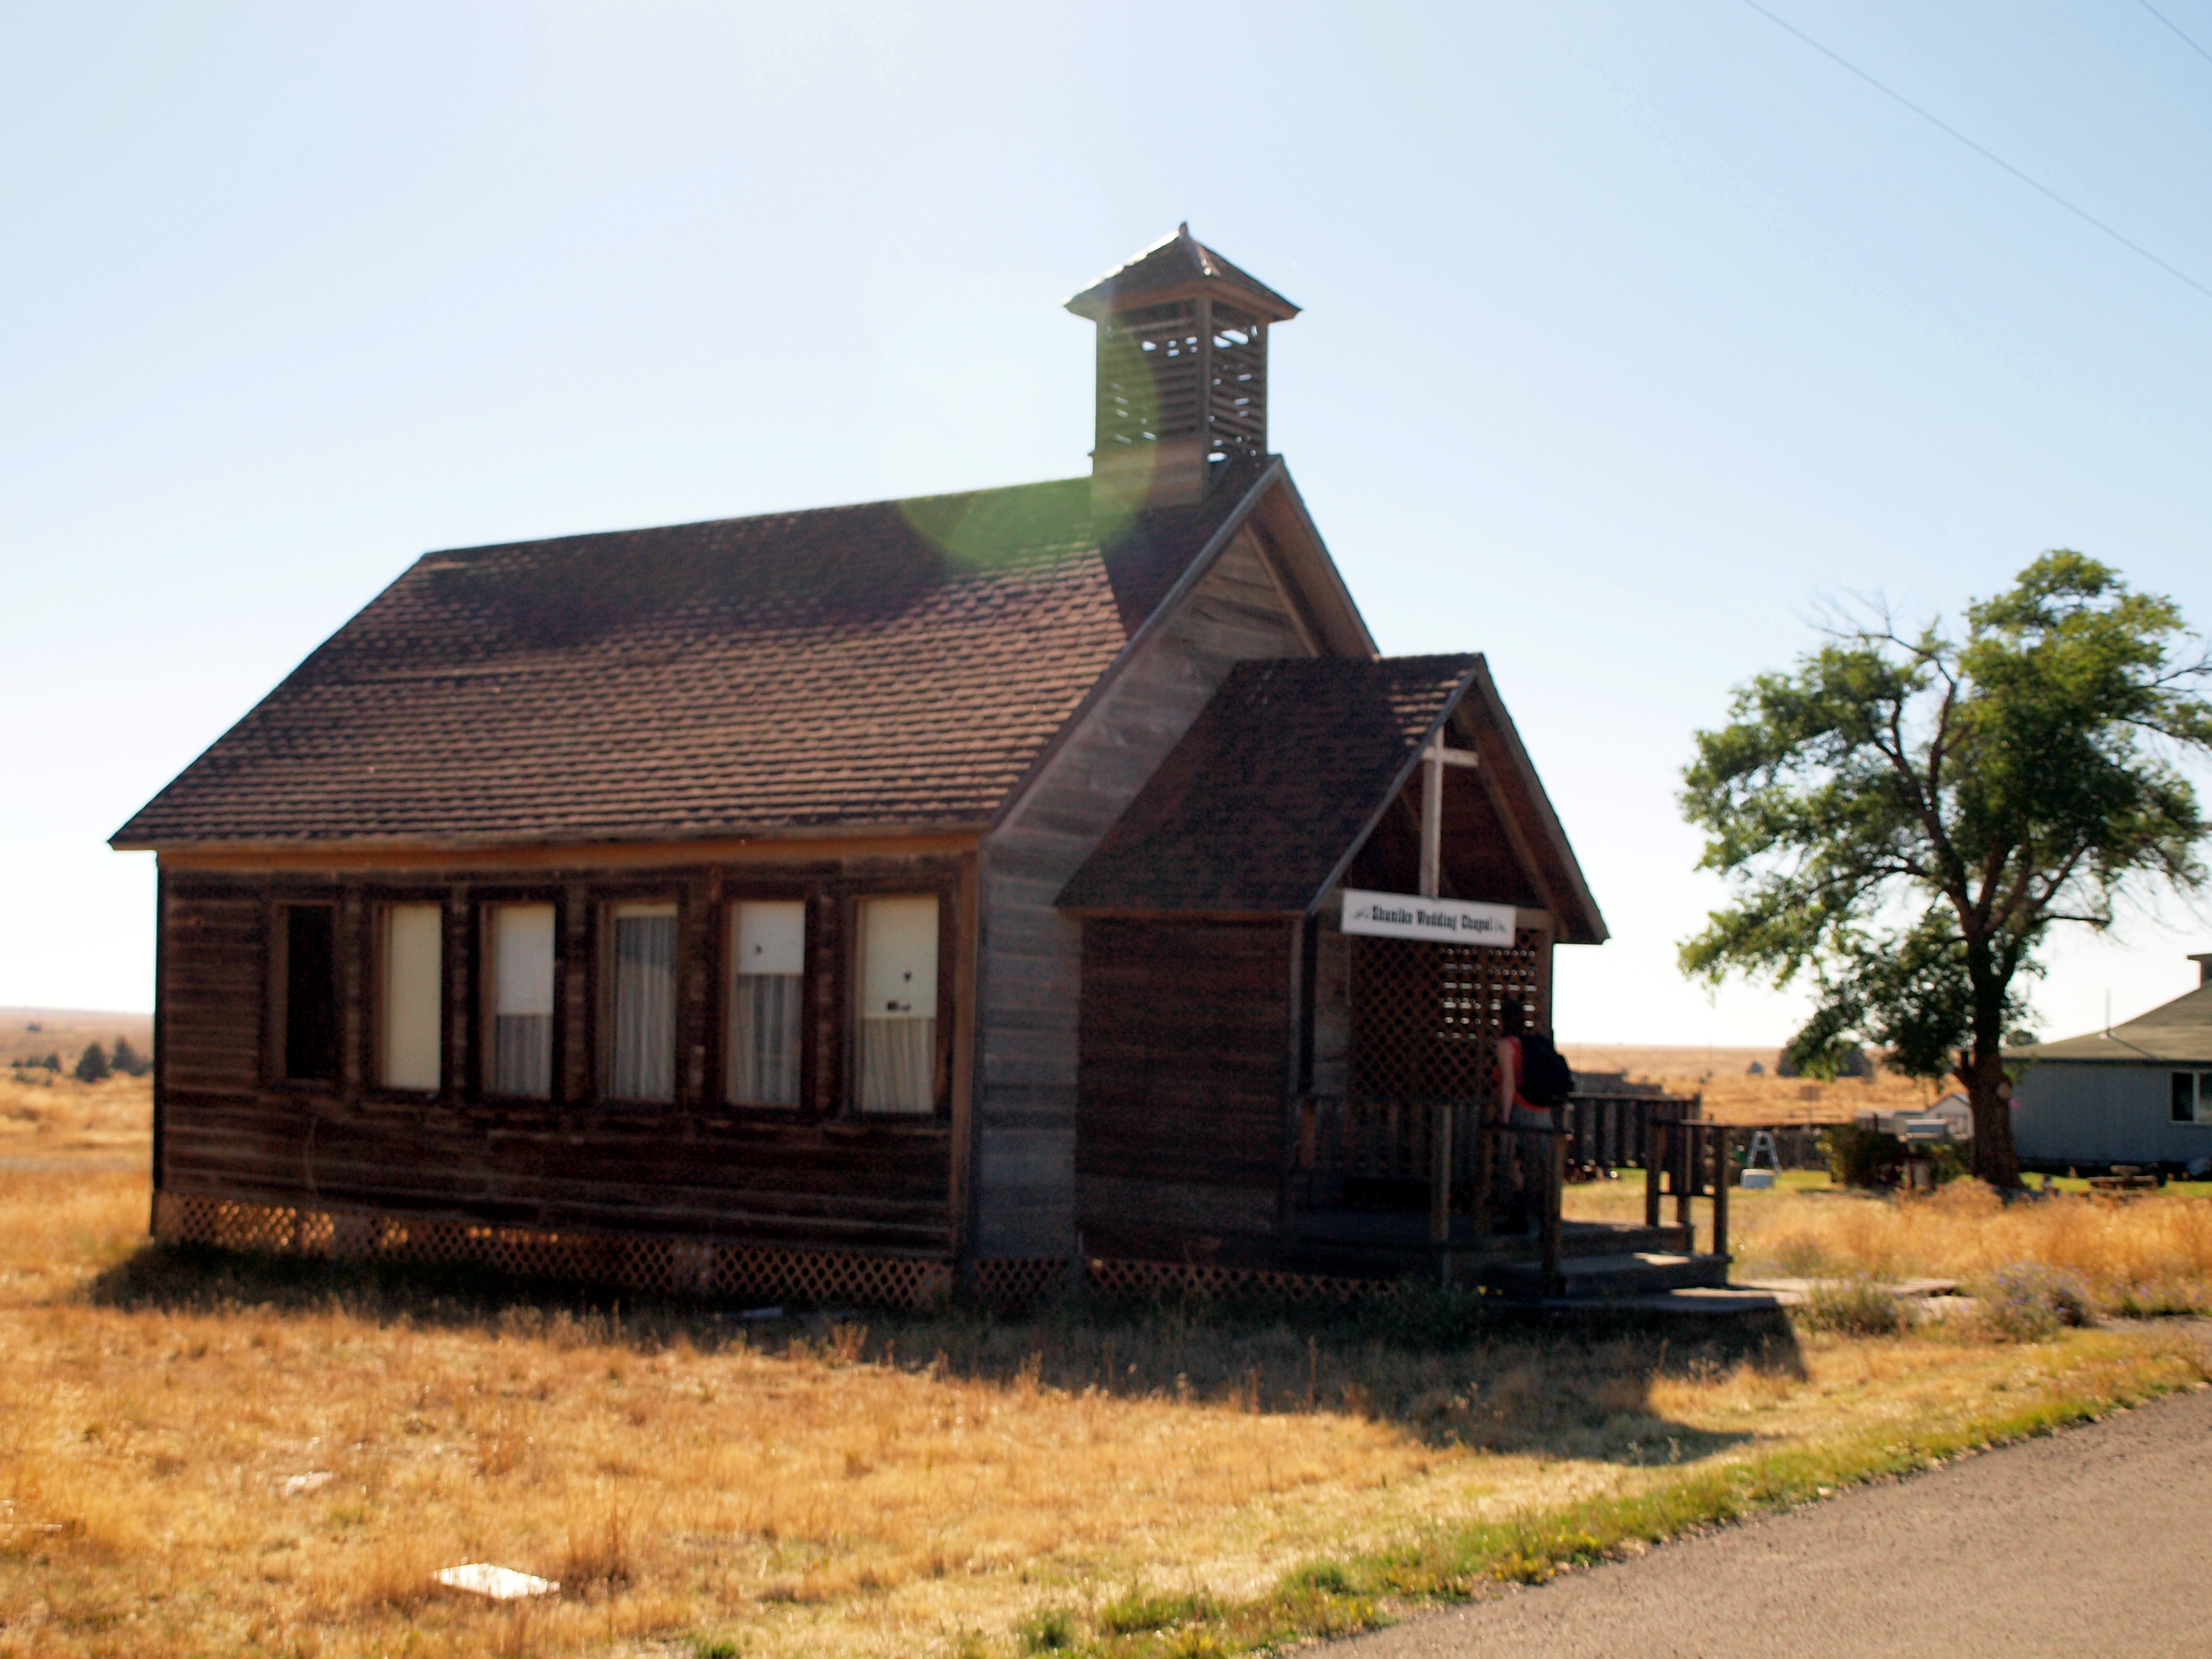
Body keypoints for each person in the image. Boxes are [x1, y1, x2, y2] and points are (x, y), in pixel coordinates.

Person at [1494, 1001, 1554, 1234]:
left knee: (1514, 1164)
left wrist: (1506, 1116)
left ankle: (1523, 1217)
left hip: (1521, 1109)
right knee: (1541, 1167)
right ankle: (1547, 1221)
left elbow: (1509, 1083)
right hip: (1543, 1112)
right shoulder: (1533, 1043)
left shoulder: (1507, 1045)